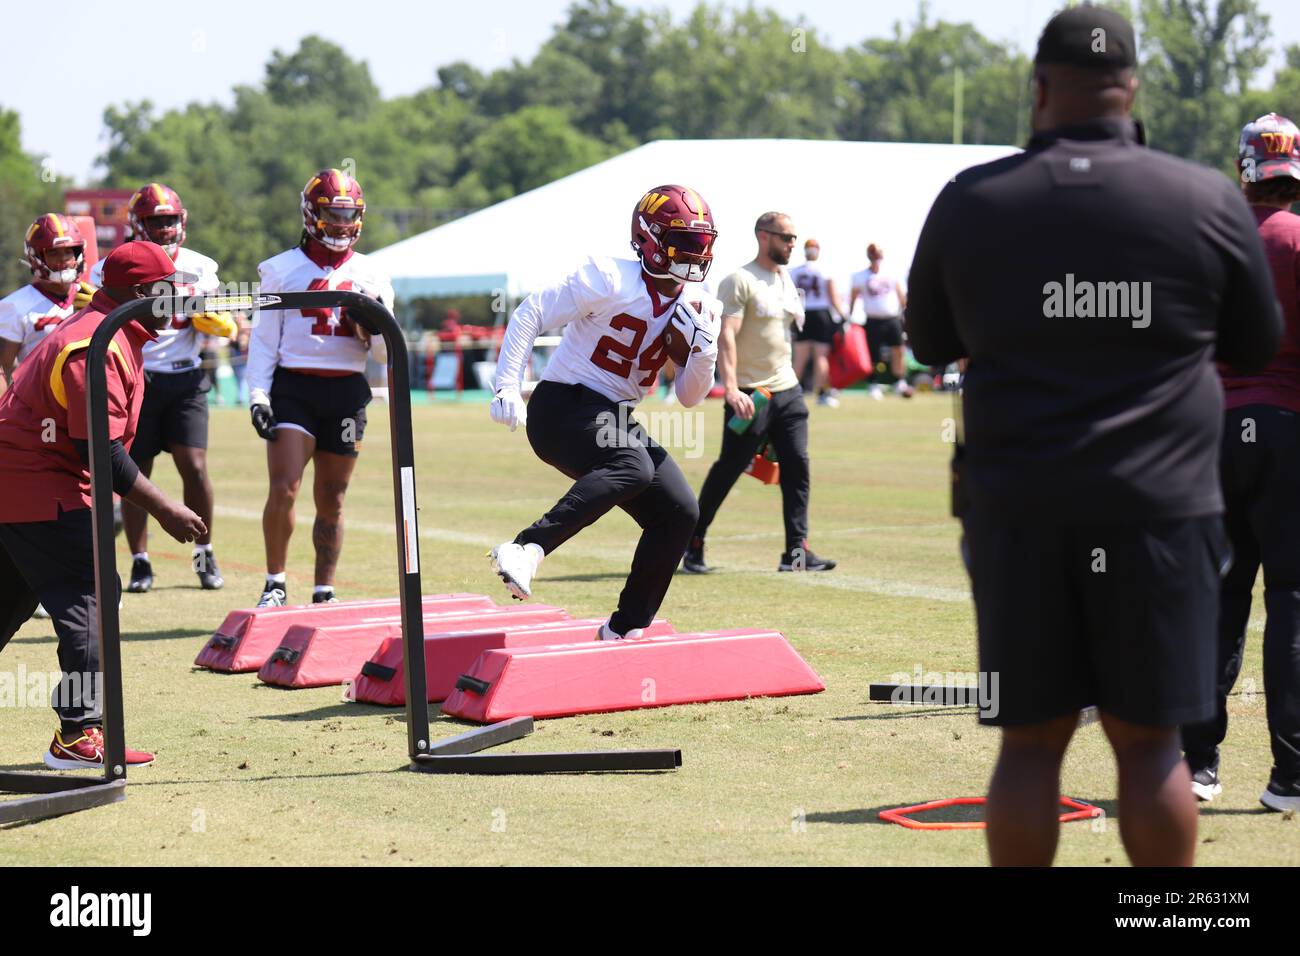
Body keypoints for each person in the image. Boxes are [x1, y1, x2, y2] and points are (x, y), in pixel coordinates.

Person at [905, 6, 1281, 866]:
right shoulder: (1202, 197)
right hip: (1160, 508)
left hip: (1018, 508)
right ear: (1133, 88)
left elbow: (928, 342)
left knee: (1029, 745)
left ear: (1038, 90)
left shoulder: (972, 201)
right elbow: (1254, 345)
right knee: (1151, 747)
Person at [0, 241, 206, 769]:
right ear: (139, 293)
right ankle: (77, 733)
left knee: (10, 598)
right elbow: (99, 449)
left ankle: (79, 729)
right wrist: (166, 508)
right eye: (165, 292)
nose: (174, 303)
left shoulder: (105, 331)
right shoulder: (95, 344)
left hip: (21, 483)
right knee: (94, 595)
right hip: (38, 485)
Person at [487, 184, 720, 641]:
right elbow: (530, 312)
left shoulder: (702, 302)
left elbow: (691, 396)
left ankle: (624, 627)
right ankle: (527, 547)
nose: (693, 254)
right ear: (649, 239)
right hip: (562, 406)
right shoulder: (609, 278)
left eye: (700, 243)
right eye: (683, 242)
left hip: (613, 416)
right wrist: (506, 385)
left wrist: (705, 351)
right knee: (631, 465)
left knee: (679, 512)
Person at [1180, 113, 1300, 814]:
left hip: (1215, 432)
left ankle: (1199, 762)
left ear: (1243, 168)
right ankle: (1288, 777)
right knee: (1288, 600)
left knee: (1219, 599)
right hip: (1287, 429)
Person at [246, 168, 392, 608]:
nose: (343, 225)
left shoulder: (373, 273)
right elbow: (264, 338)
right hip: (294, 387)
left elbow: (386, 356)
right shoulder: (280, 270)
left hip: (347, 392)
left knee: (333, 497)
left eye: (349, 215)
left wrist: (376, 325)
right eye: (333, 214)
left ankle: (323, 590)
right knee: (285, 486)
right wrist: (258, 393)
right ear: (312, 214)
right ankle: (275, 582)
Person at [87, 184, 232, 593]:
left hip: (183, 376)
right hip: (137, 376)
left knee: (196, 466)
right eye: (156, 221)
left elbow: (222, 324)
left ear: (181, 221)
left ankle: (204, 551)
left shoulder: (200, 266)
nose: (165, 228)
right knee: (135, 473)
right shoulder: (116, 264)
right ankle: (139, 559)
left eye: (170, 220)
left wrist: (215, 319)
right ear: (139, 224)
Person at [683, 211, 836, 575]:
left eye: (794, 238)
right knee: (729, 469)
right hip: (751, 395)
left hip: (788, 392)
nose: (792, 245)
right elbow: (727, 337)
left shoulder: (785, 279)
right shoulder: (738, 280)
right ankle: (692, 542)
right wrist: (731, 387)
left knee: (797, 467)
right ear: (763, 236)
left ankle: (795, 554)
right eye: (786, 238)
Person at [0, 214, 85, 397]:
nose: (63, 259)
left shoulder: (91, 297)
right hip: (38, 404)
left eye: (68, 252)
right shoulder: (15, 306)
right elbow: (2, 368)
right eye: (53, 252)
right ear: (35, 258)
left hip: (84, 400)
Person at [790, 238, 847, 407]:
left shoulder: (794, 271)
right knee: (820, 357)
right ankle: (822, 393)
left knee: (799, 357)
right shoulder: (825, 270)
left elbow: (790, 295)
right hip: (821, 314)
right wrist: (843, 316)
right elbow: (834, 296)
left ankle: (789, 393)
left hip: (803, 314)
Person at [850, 243, 912, 398]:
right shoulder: (860, 276)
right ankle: (873, 383)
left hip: (892, 318)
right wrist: (849, 318)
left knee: (898, 349)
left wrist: (906, 315)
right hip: (872, 320)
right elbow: (853, 297)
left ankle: (899, 381)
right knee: (873, 354)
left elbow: (901, 296)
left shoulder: (891, 274)